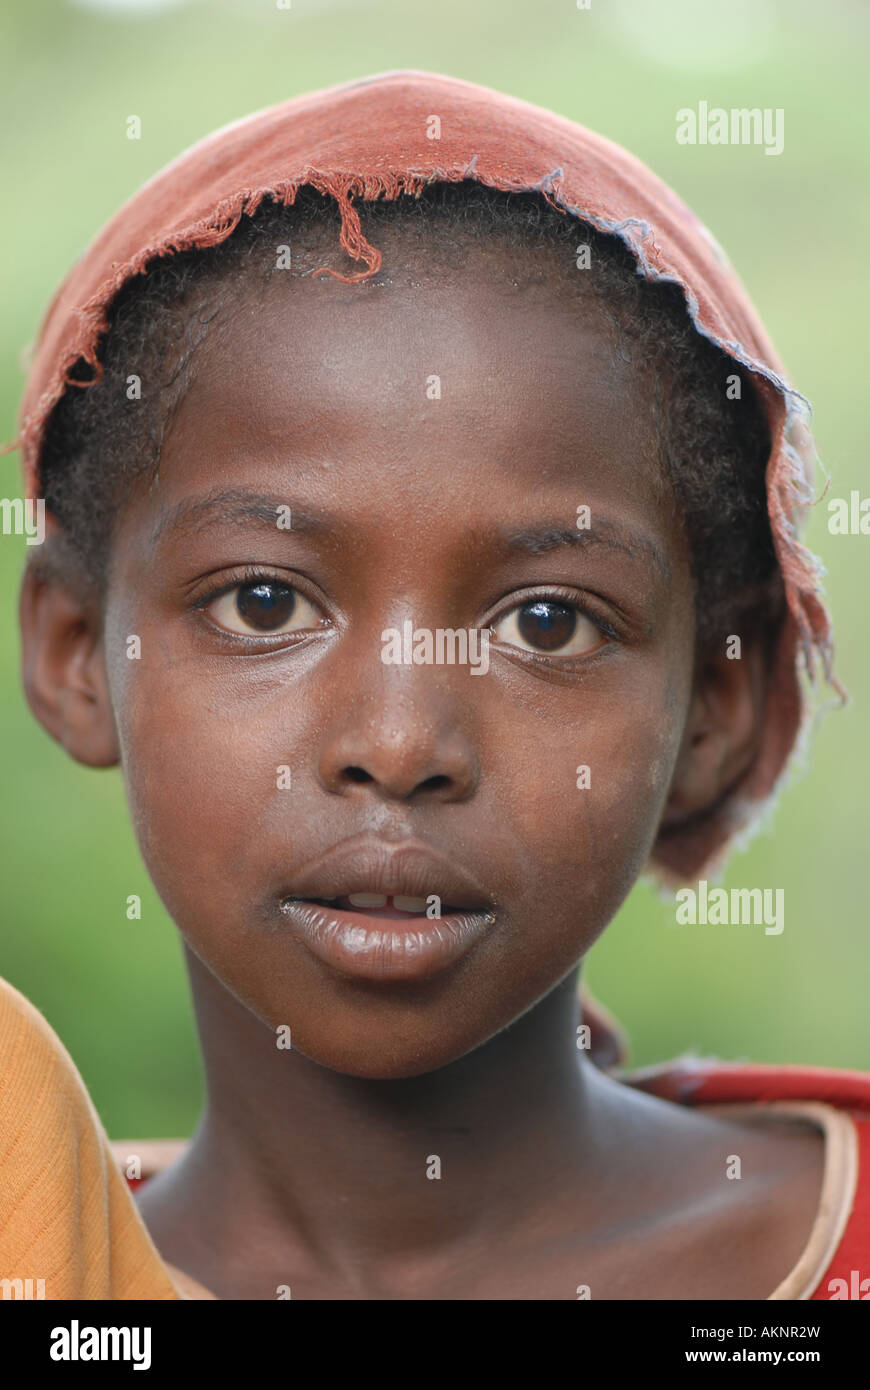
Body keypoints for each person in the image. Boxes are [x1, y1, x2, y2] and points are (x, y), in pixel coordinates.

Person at [2, 70, 866, 1301]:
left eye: (551, 622)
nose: (400, 742)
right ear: (78, 651)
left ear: (715, 711)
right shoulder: (38, 1258)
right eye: (265, 602)